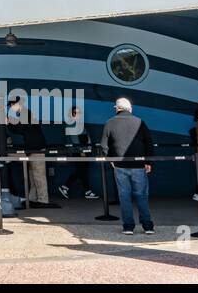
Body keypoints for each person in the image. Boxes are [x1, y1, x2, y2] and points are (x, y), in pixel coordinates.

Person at [99, 97, 155, 235]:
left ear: (117, 109)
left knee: (124, 196)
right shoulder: (140, 122)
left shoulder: (109, 123)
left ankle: (128, 227)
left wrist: (111, 160)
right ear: (130, 108)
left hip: (120, 166)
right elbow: (149, 143)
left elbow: (103, 146)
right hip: (139, 165)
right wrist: (148, 162)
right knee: (141, 195)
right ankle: (147, 226)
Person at [58, 106, 99, 200]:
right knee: (81, 171)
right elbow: (75, 140)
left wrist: (88, 149)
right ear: (72, 114)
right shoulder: (71, 124)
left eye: (80, 113)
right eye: (77, 113)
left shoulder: (81, 124)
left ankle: (68, 188)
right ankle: (82, 190)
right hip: (78, 152)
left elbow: (88, 138)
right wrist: (81, 151)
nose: (80, 115)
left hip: (85, 151)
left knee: (82, 171)